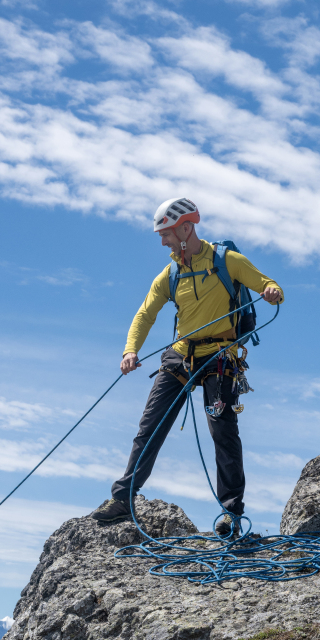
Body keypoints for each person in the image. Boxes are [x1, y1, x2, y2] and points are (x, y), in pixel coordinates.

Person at [91, 198, 283, 533]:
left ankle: (231, 514)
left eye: (164, 233)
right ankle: (123, 498)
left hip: (221, 355)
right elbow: (145, 314)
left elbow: (269, 284)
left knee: (222, 430)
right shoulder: (171, 274)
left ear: (185, 228)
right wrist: (130, 350)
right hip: (181, 354)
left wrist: (271, 291)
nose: (162, 241)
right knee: (150, 425)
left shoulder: (228, 261)